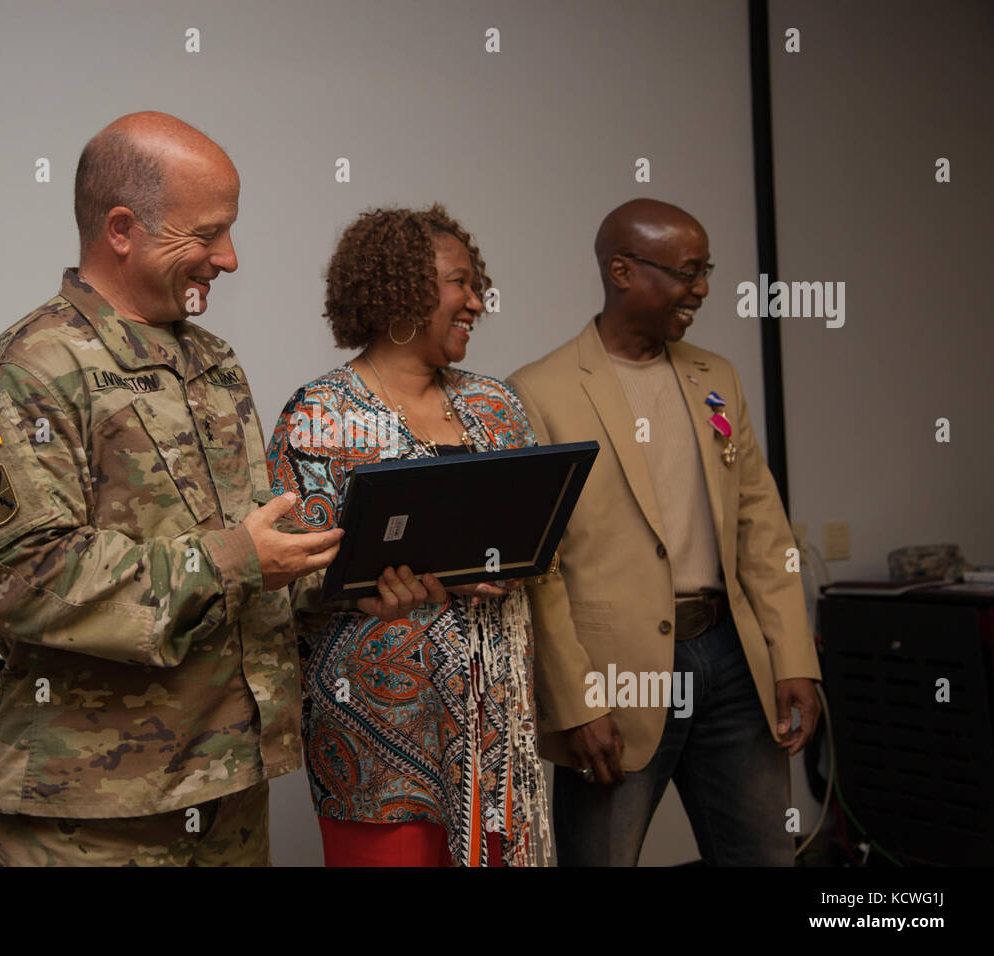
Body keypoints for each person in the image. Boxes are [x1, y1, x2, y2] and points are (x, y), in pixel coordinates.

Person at [0, 111, 342, 866]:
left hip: (228, 793)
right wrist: (235, 560)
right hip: (89, 820)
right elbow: (19, 577)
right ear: (122, 229)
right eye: (208, 234)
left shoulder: (212, 363)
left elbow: (250, 556)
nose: (229, 258)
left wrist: (346, 578)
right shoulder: (26, 375)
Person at [507, 198, 822, 866]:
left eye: (706, 270)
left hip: (732, 661)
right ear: (621, 271)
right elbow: (539, 570)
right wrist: (575, 702)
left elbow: (761, 526)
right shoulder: (537, 392)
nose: (701, 288)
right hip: (615, 679)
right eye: (686, 272)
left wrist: (793, 655)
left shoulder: (717, 378)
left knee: (766, 857)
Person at [266, 205, 550, 866]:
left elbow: (538, 537)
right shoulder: (320, 416)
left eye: (477, 284)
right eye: (460, 283)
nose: (476, 301)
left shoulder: (497, 406)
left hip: (495, 734)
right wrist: (362, 583)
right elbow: (281, 576)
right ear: (402, 290)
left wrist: (513, 559)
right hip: (379, 744)